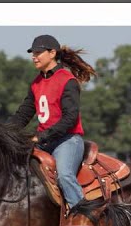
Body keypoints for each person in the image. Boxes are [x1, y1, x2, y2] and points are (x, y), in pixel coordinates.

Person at [8, 34, 95, 210]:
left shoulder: (67, 80)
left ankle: (85, 216)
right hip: (44, 141)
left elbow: (70, 119)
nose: (34, 56)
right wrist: (2, 131)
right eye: (33, 53)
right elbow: (23, 115)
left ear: (52, 53)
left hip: (67, 140)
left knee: (64, 176)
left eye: (39, 52)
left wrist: (40, 136)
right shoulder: (36, 83)